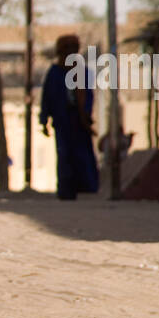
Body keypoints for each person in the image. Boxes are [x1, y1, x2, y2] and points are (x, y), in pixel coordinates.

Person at [39, 34, 99, 200]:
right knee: (64, 155)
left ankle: (87, 188)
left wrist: (86, 114)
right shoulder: (54, 73)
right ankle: (66, 190)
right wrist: (44, 120)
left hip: (79, 120)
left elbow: (88, 95)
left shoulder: (83, 72)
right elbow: (47, 98)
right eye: (66, 49)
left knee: (82, 154)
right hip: (62, 120)